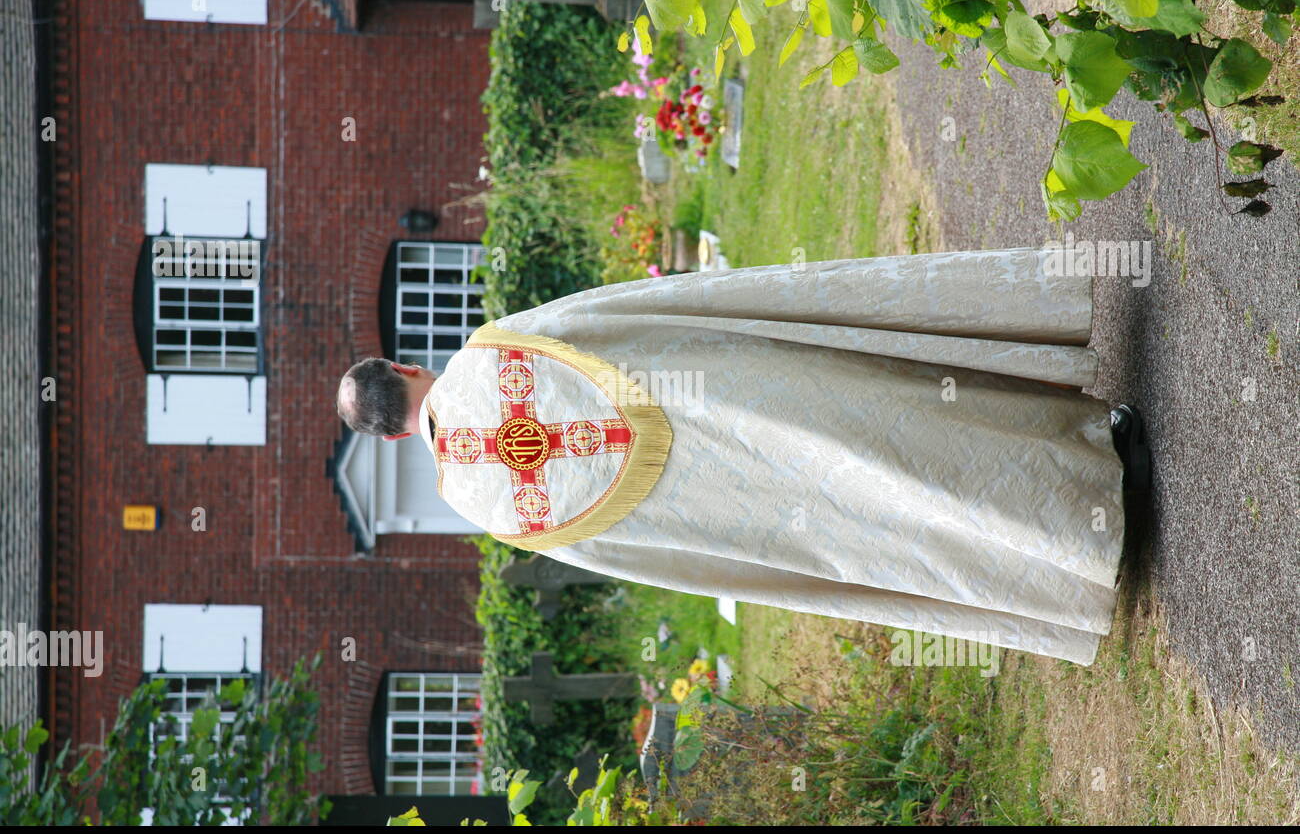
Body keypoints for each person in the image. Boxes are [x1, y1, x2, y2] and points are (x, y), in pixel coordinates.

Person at [336, 247, 1150, 666]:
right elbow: (620, 315)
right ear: (406, 368)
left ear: (395, 435)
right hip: (721, 394)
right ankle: (1091, 460)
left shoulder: (479, 507)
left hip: (724, 511)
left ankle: (1071, 547)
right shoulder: (486, 354)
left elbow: (618, 548)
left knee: (873, 519)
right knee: (891, 414)